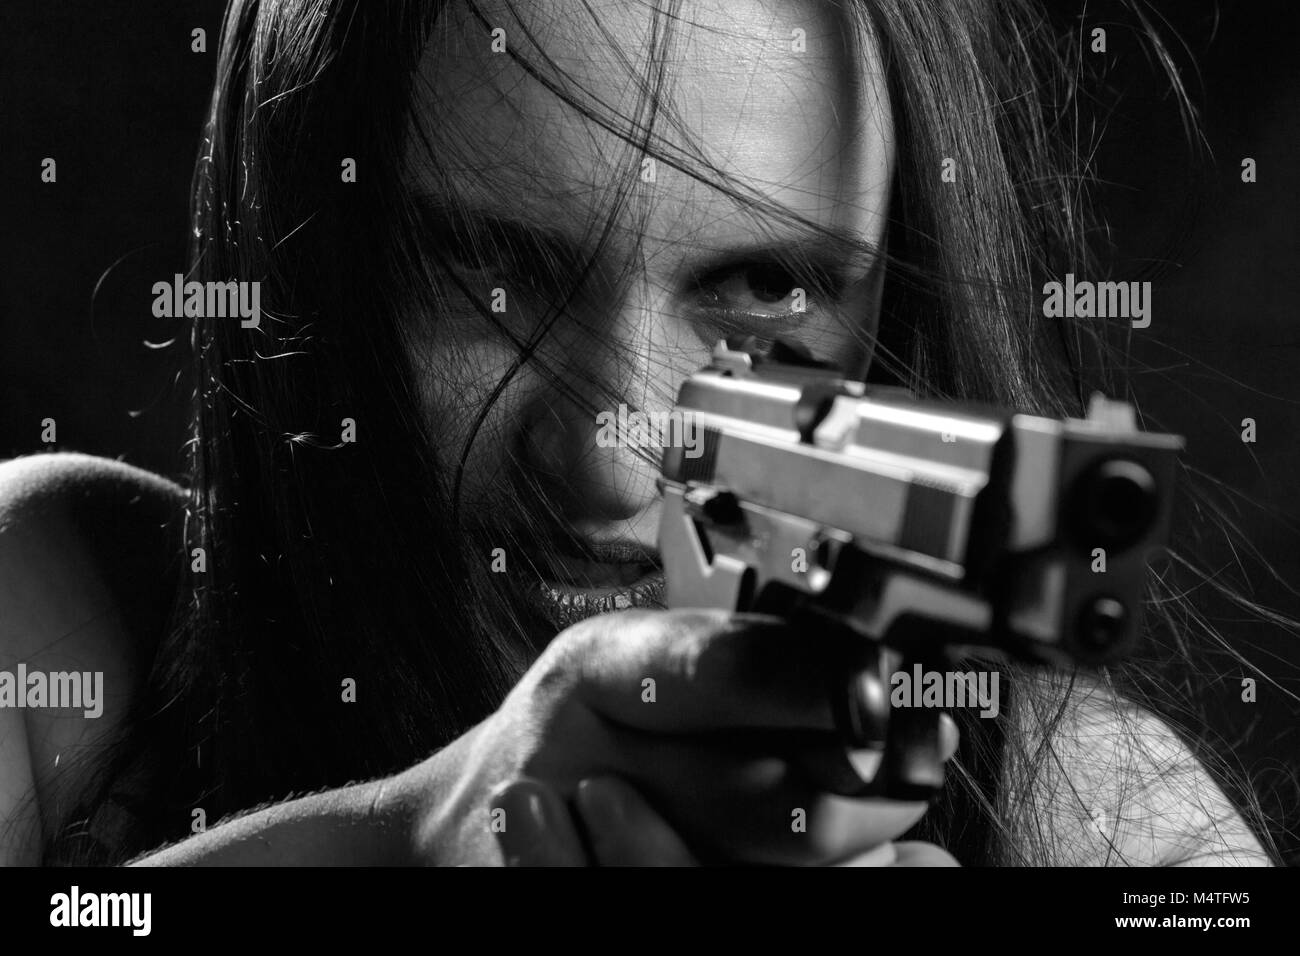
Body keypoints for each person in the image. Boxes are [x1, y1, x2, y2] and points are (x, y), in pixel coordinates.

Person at [0, 0, 1280, 866]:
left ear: (895, 304)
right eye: (488, 276)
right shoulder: (54, 620)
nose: (613, 459)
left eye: (769, 287)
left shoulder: (1092, 816)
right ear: (314, 258)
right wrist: (410, 837)